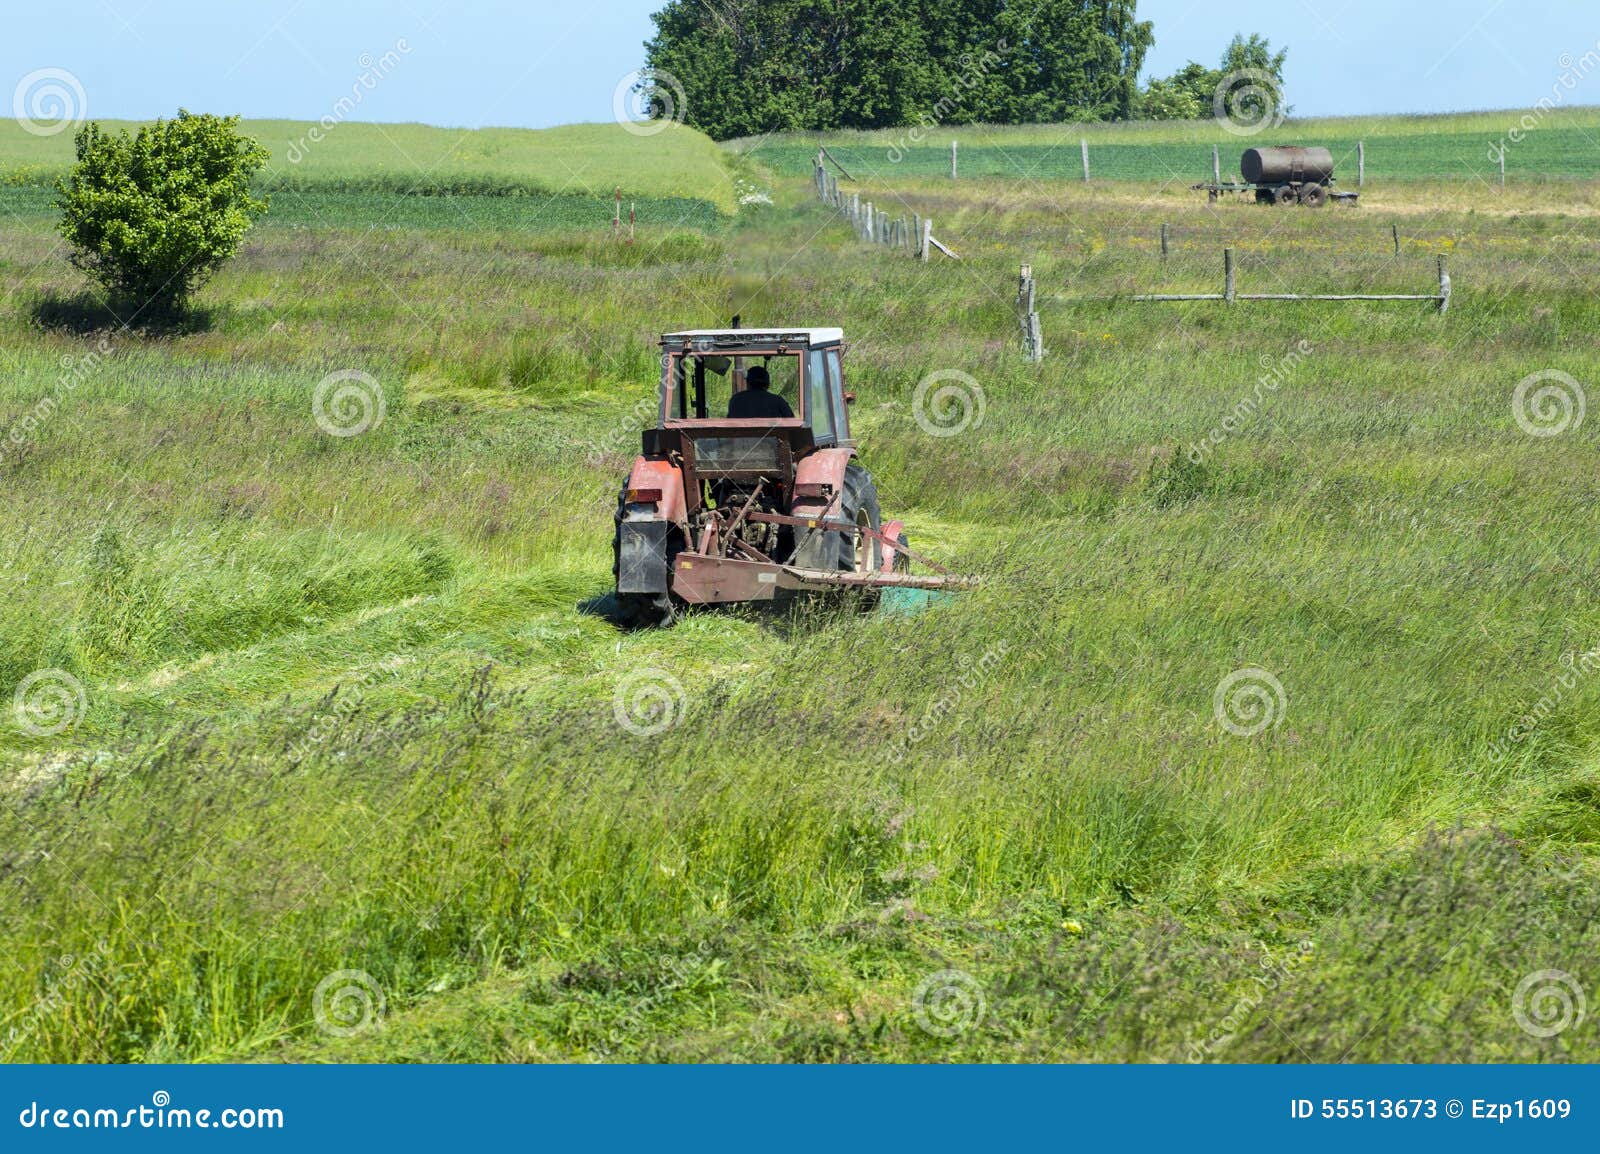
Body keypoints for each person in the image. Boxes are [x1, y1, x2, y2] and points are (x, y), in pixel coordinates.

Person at [726, 365, 793, 419]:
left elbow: (729, 421)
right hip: (771, 435)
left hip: (741, 436)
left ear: (748, 383)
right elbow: (791, 421)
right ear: (768, 384)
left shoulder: (736, 400)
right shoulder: (778, 401)